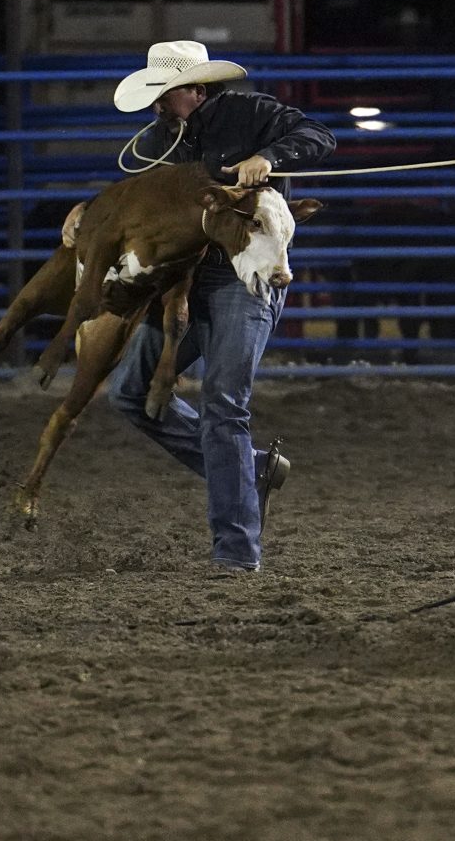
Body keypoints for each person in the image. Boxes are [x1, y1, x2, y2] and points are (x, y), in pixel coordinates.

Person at [106, 40, 336, 574]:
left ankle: (236, 553)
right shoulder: (160, 142)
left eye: (166, 95)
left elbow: (319, 137)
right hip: (184, 280)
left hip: (245, 277)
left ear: (196, 90)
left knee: (223, 405)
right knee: (130, 394)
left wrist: (268, 158)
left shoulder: (250, 113)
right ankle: (250, 470)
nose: (159, 106)